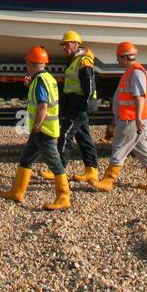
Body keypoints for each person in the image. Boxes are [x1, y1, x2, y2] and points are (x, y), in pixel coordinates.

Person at [0, 45, 71, 211]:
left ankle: (63, 197)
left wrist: (38, 124)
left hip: (44, 131)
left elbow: (43, 105)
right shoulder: (48, 78)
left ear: (32, 63)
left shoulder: (39, 81)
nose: (26, 66)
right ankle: (17, 192)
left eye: (28, 63)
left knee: (55, 163)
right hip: (41, 130)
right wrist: (29, 86)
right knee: (26, 159)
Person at [92, 42, 147, 192]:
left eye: (118, 58)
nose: (117, 61)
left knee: (120, 147)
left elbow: (139, 97)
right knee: (143, 149)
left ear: (124, 58)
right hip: (134, 118)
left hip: (132, 119)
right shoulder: (132, 72)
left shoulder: (135, 73)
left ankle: (108, 180)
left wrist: (137, 118)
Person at [54, 30, 101, 184]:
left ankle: (58, 170)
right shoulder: (74, 60)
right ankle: (91, 170)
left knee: (66, 134)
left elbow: (89, 85)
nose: (64, 47)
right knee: (83, 136)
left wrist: (85, 105)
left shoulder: (83, 61)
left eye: (66, 44)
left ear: (75, 44)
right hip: (75, 103)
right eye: (63, 45)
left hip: (80, 104)